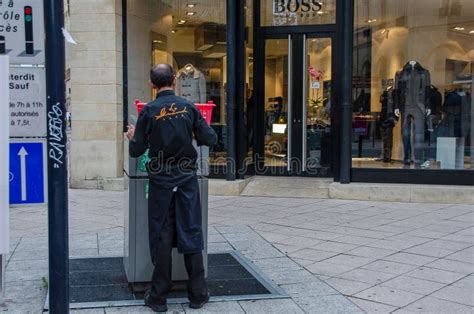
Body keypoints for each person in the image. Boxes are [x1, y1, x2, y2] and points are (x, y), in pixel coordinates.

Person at [126, 64, 217, 312]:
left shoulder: (149, 111)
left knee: (162, 236)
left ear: (151, 84)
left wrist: (132, 135)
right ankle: (198, 294)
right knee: (191, 232)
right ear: (174, 81)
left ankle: (158, 298)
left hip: (161, 184)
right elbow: (210, 139)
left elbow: (136, 150)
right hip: (187, 181)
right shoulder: (189, 108)